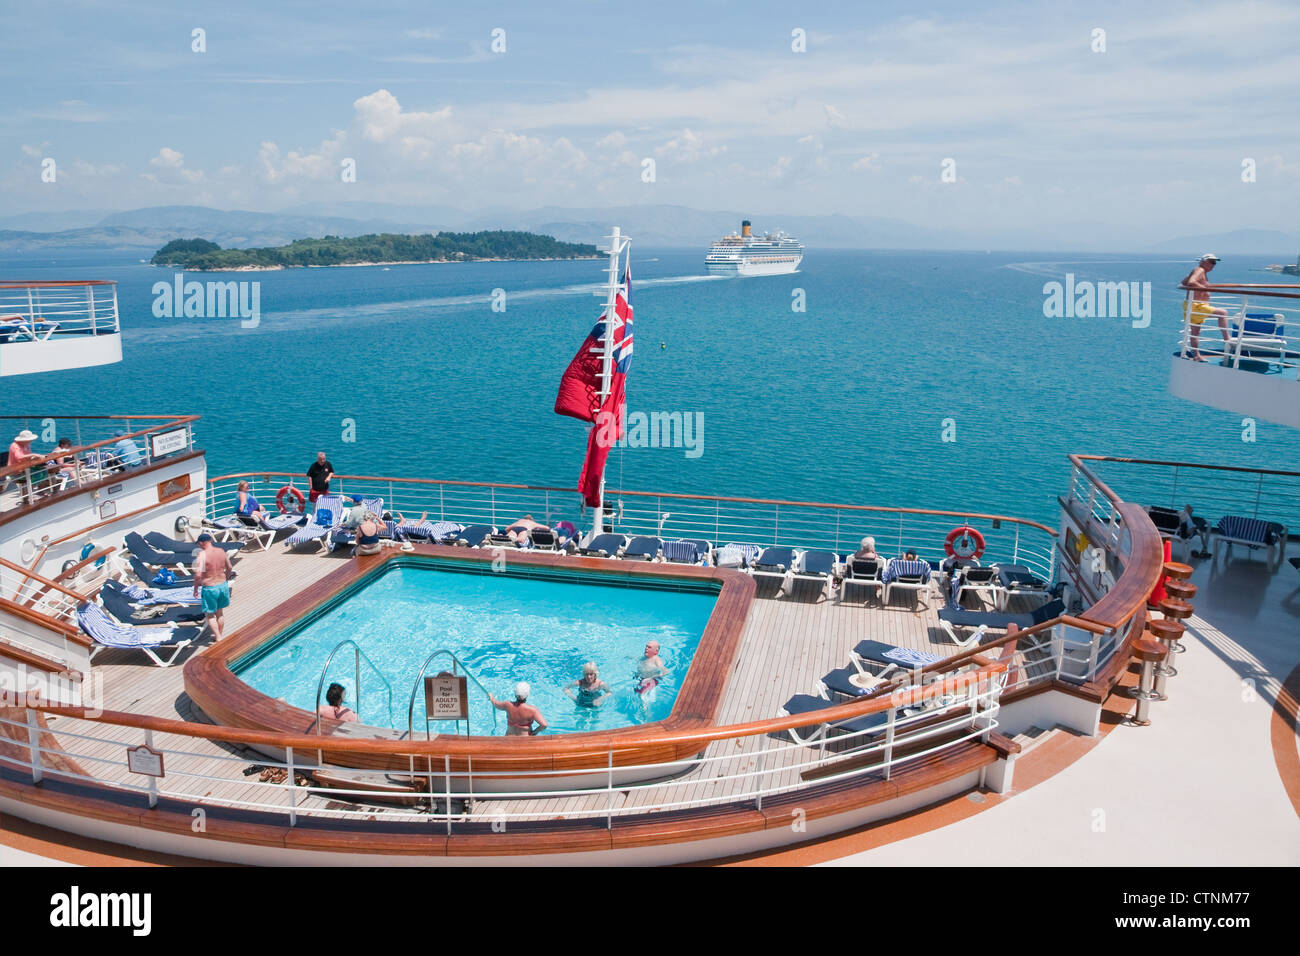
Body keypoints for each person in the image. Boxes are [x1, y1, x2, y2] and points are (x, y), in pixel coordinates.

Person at [1180, 254, 1230, 361]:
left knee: (1195, 332)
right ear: (1204, 261)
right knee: (1223, 313)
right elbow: (1191, 282)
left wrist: (1201, 285)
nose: (1214, 265)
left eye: (1215, 263)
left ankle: (1197, 355)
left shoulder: (1198, 271)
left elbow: (1184, 282)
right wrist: (1204, 288)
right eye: (1212, 262)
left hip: (1193, 305)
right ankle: (1228, 339)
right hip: (1196, 306)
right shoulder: (1200, 270)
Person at [192, 532, 235, 641]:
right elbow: (229, 567)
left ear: (202, 543)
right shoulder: (221, 551)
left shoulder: (202, 555)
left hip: (210, 588)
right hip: (223, 585)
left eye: (199, 544)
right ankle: (219, 635)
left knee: (210, 614)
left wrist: (196, 588)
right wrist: (226, 577)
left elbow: (198, 575)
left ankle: (218, 637)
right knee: (219, 612)